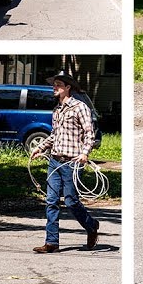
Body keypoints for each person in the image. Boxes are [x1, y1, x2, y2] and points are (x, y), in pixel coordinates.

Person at [30, 71, 100, 253]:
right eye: (54, 84)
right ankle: (51, 242)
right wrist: (40, 148)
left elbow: (89, 133)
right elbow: (55, 135)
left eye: (58, 84)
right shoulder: (57, 110)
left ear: (68, 87)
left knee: (70, 201)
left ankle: (91, 226)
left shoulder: (80, 107)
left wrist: (85, 153)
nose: (55, 87)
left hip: (72, 163)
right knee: (51, 201)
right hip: (54, 161)